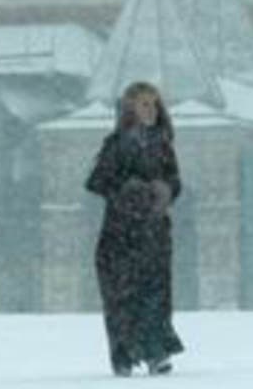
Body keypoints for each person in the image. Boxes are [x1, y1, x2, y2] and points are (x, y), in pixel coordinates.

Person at [86, 81, 184, 377]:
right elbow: (98, 181)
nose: (151, 110)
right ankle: (124, 355)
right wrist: (129, 189)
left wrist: (166, 190)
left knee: (156, 293)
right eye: (144, 104)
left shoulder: (163, 144)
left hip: (154, 234)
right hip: (121, 236)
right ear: (130, 108)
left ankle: (157, 352)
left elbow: (175, 180)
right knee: (122, 297)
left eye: (154, 104)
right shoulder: (116, 144)